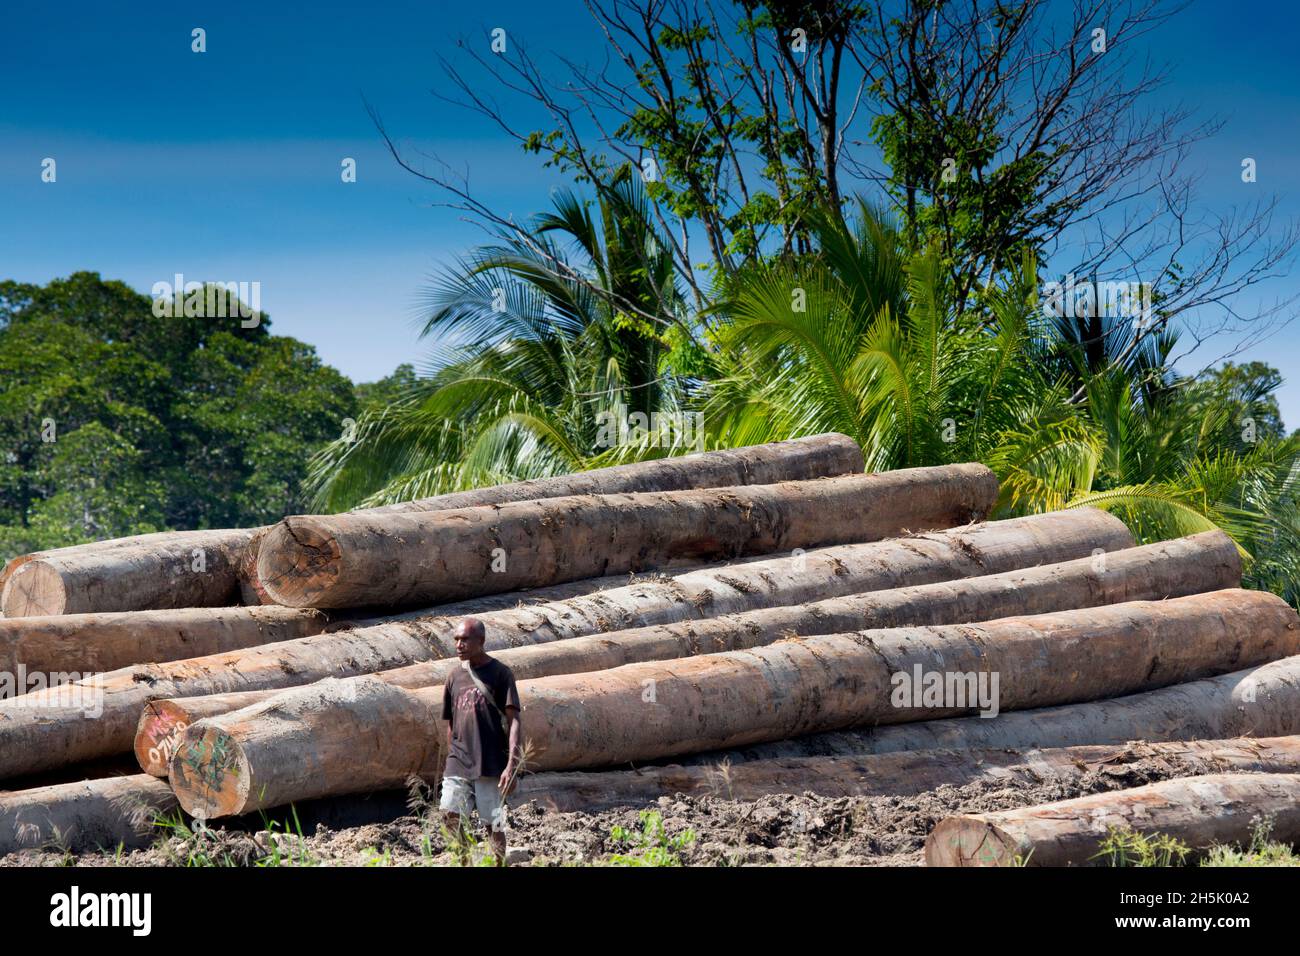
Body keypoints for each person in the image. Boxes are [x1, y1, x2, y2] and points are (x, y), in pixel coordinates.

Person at [439, 616, 522, 865]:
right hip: (459, 761)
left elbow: (515, 720)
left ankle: (497, 864)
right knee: (448, 815)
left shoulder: (500, 674)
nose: (459, 645)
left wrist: (512, 765)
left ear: (481, 641)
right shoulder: (454, 677)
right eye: (456, 639)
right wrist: (451, 756)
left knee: (493, 824)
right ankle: (466, 860)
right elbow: (450, 722)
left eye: (465, 639)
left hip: (491, 762)